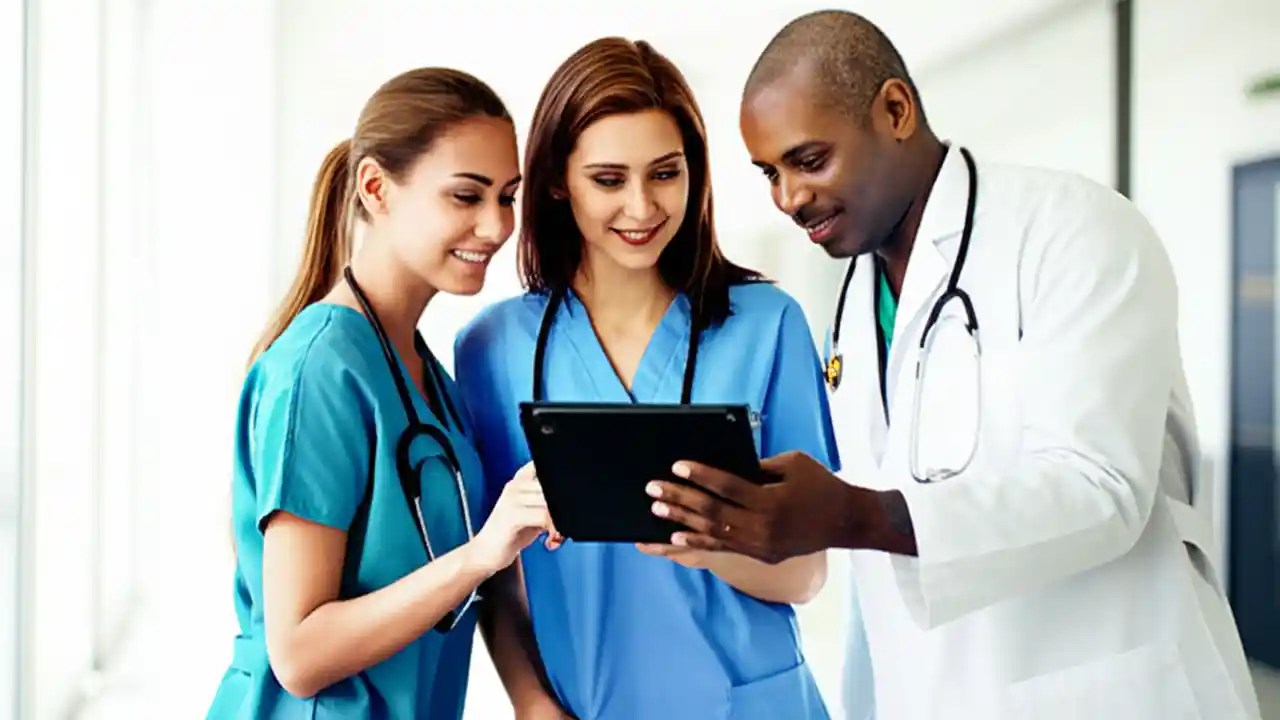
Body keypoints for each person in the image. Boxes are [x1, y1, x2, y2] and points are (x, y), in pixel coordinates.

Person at [644, 10, 1263, 720]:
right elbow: (881, 584)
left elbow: (1102, 488)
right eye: (770, 175)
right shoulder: (853, 308)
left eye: (810, 161)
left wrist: (853, 513)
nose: (789, 198)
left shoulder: (1073, 229)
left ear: (895, 111)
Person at [453, 37, 855, 720]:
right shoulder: (492, 349)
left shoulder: (769, 325)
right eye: (609, 180)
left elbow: (806, 573)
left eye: (665, 174)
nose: (642, 208)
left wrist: (708, 540)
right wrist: (531, 703)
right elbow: (495, 572)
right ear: (558, 181)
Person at [206, 67, 569, 719]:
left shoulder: (430, 378)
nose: (495, 226)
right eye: (466, 196)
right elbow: (299, 655)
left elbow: (474, 582)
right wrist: (480, 554)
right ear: (376, 188)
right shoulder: (321, 370)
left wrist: (535, 703)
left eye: (507, 197)